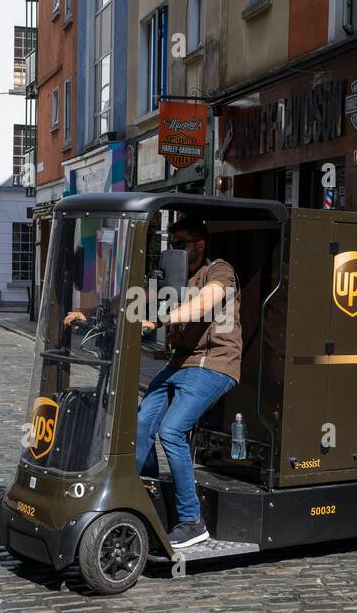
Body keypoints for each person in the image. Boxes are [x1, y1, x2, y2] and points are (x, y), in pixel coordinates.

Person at [69, 219, 241, 549]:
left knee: (172, 430)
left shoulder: (219, 271)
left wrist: (157, 320)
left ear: (199, 245)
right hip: (182, 362)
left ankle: (192, 521)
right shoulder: (175, 277)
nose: (171, 251)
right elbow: (136, 297)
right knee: (140, 422)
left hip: (215, 362)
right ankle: (144, 498)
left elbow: (205, 303)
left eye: (179, 244)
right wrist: (90, 315)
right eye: (170, 243)